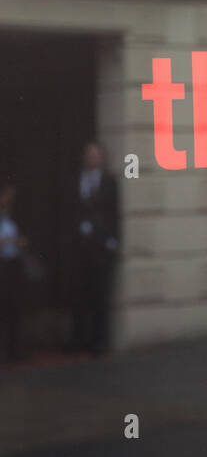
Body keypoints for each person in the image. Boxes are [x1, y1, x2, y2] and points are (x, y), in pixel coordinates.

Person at [68, 142, 119, 356]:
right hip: (80, 248)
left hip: (100, 248)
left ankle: (100, 342)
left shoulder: (109, 182)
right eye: (89, 154)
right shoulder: (77, 179)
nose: (92, 158)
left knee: (100, 296)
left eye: (96, 155)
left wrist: (112, 241)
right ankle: (78, 340)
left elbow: (114, 212)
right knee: (79, 295)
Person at [0, 183, 26, 363]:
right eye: (6, 196)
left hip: (13, 264)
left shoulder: (15, 215)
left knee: (14, 307)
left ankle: (14, 350)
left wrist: (18, 241)